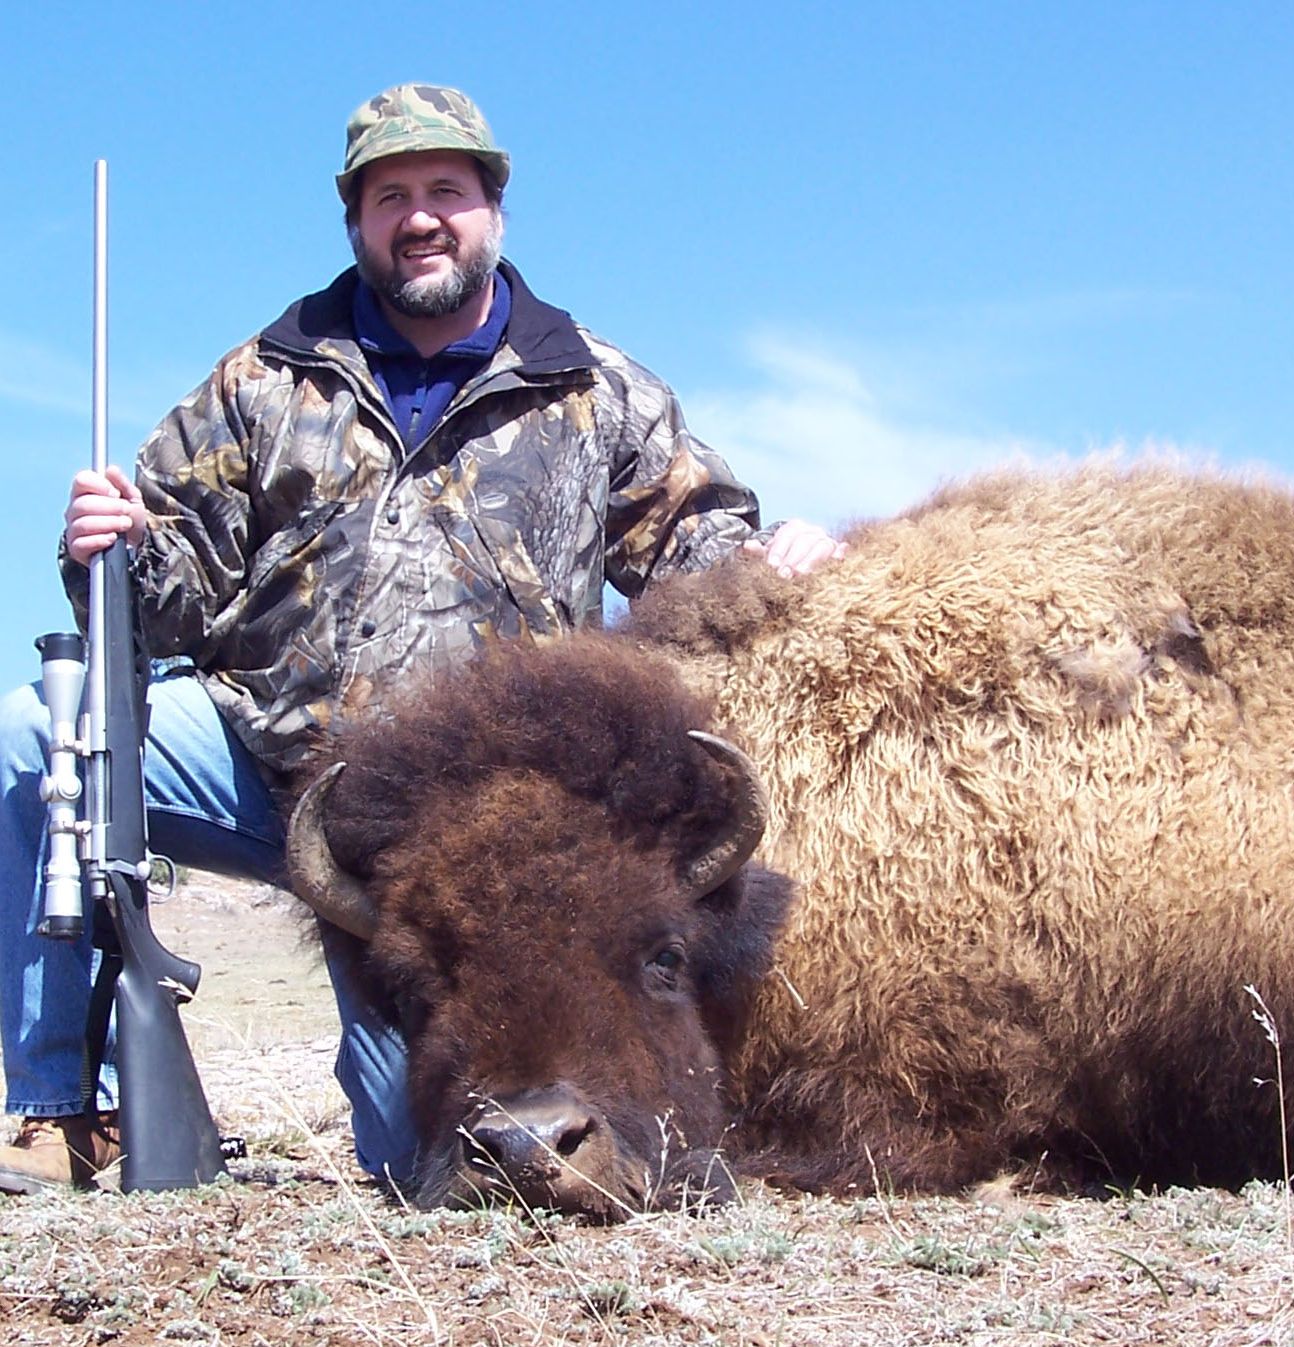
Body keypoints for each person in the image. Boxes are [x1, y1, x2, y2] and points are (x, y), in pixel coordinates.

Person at [0, 83, 842, 1194]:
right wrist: (112, 550)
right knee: (33, 740)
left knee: (431, 1170)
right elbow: (171, 603)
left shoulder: (593, 386)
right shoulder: (263, 381)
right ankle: (57, 1106)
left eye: (446, 189)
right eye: (390, 195)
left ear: (493, 208)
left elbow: (692, 555)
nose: (420, 216)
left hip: (477, 849)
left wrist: (776, 560)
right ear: (357, 221)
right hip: (274, 767)